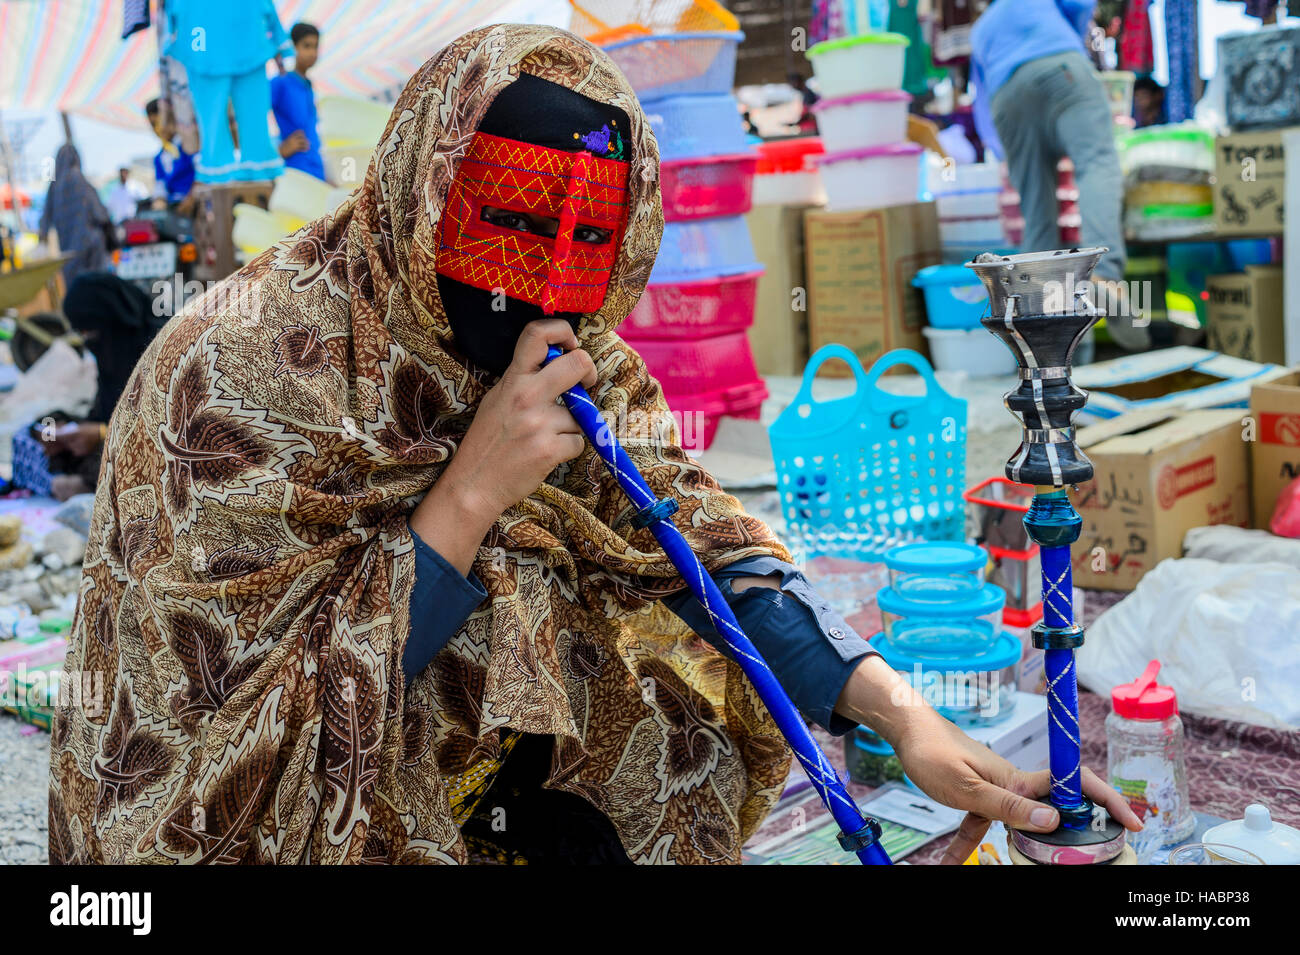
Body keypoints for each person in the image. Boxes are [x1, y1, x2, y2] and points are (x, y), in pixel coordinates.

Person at [48, 24, 1139, 865]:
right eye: (512, 226)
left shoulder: (575, 347)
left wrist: (894, 710)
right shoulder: (230, 368)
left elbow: (683, 523)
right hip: (227, 825)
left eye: (592, 248)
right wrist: (465, 497)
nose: (542, 285)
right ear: (423, 189)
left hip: (477, 779)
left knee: (636, 629)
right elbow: (202, 736)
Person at [971, 1, 1145, 348]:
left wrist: (1011, 151)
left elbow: (980, 101)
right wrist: (1076, 31)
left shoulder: (981, 29)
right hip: (1060, 66)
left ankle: (1040, 313)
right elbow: (1081, 4)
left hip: (1006, 97)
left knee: (1036, 205)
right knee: (1095, 163)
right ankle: (1105, 276)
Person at [10, 273, 163, 501]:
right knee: (30, 433)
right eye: (82, 334)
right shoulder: (109, 356)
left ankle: (87, 485)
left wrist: (101, 434)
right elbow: (103, 412)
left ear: (114, 318)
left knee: (125, 458)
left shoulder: (160, 350)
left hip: (153, 454)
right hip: (108, 445)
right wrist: (60, 431)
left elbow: (165, 430)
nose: (88, 341)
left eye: (91, 332)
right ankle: (82, 483)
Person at [38, 144, 114, 285]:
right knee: (97, 286)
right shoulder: (80, 180)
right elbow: (100, 214)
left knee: (76, 289)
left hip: (69, 253)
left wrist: (42, 239)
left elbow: (45, 219)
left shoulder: (54, 185)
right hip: (91, 247)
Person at [271, 22, 326, 180]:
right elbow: (252, 116)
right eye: (306, 46)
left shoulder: (308, 86)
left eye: (315, 46)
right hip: (295, 172)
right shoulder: (281, 82)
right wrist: (277, 150)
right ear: (293, 47)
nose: (312, 52)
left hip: (317, 171)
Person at [145, 98, 198, 214]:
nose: (157, 129)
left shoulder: (189, 146)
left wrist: (191, 198)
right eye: (153, 125)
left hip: (196, 206)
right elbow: (160, 186)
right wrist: (159, 201)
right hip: (175, 210)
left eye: (158, 123)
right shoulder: (159, 158)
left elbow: (202, 174)